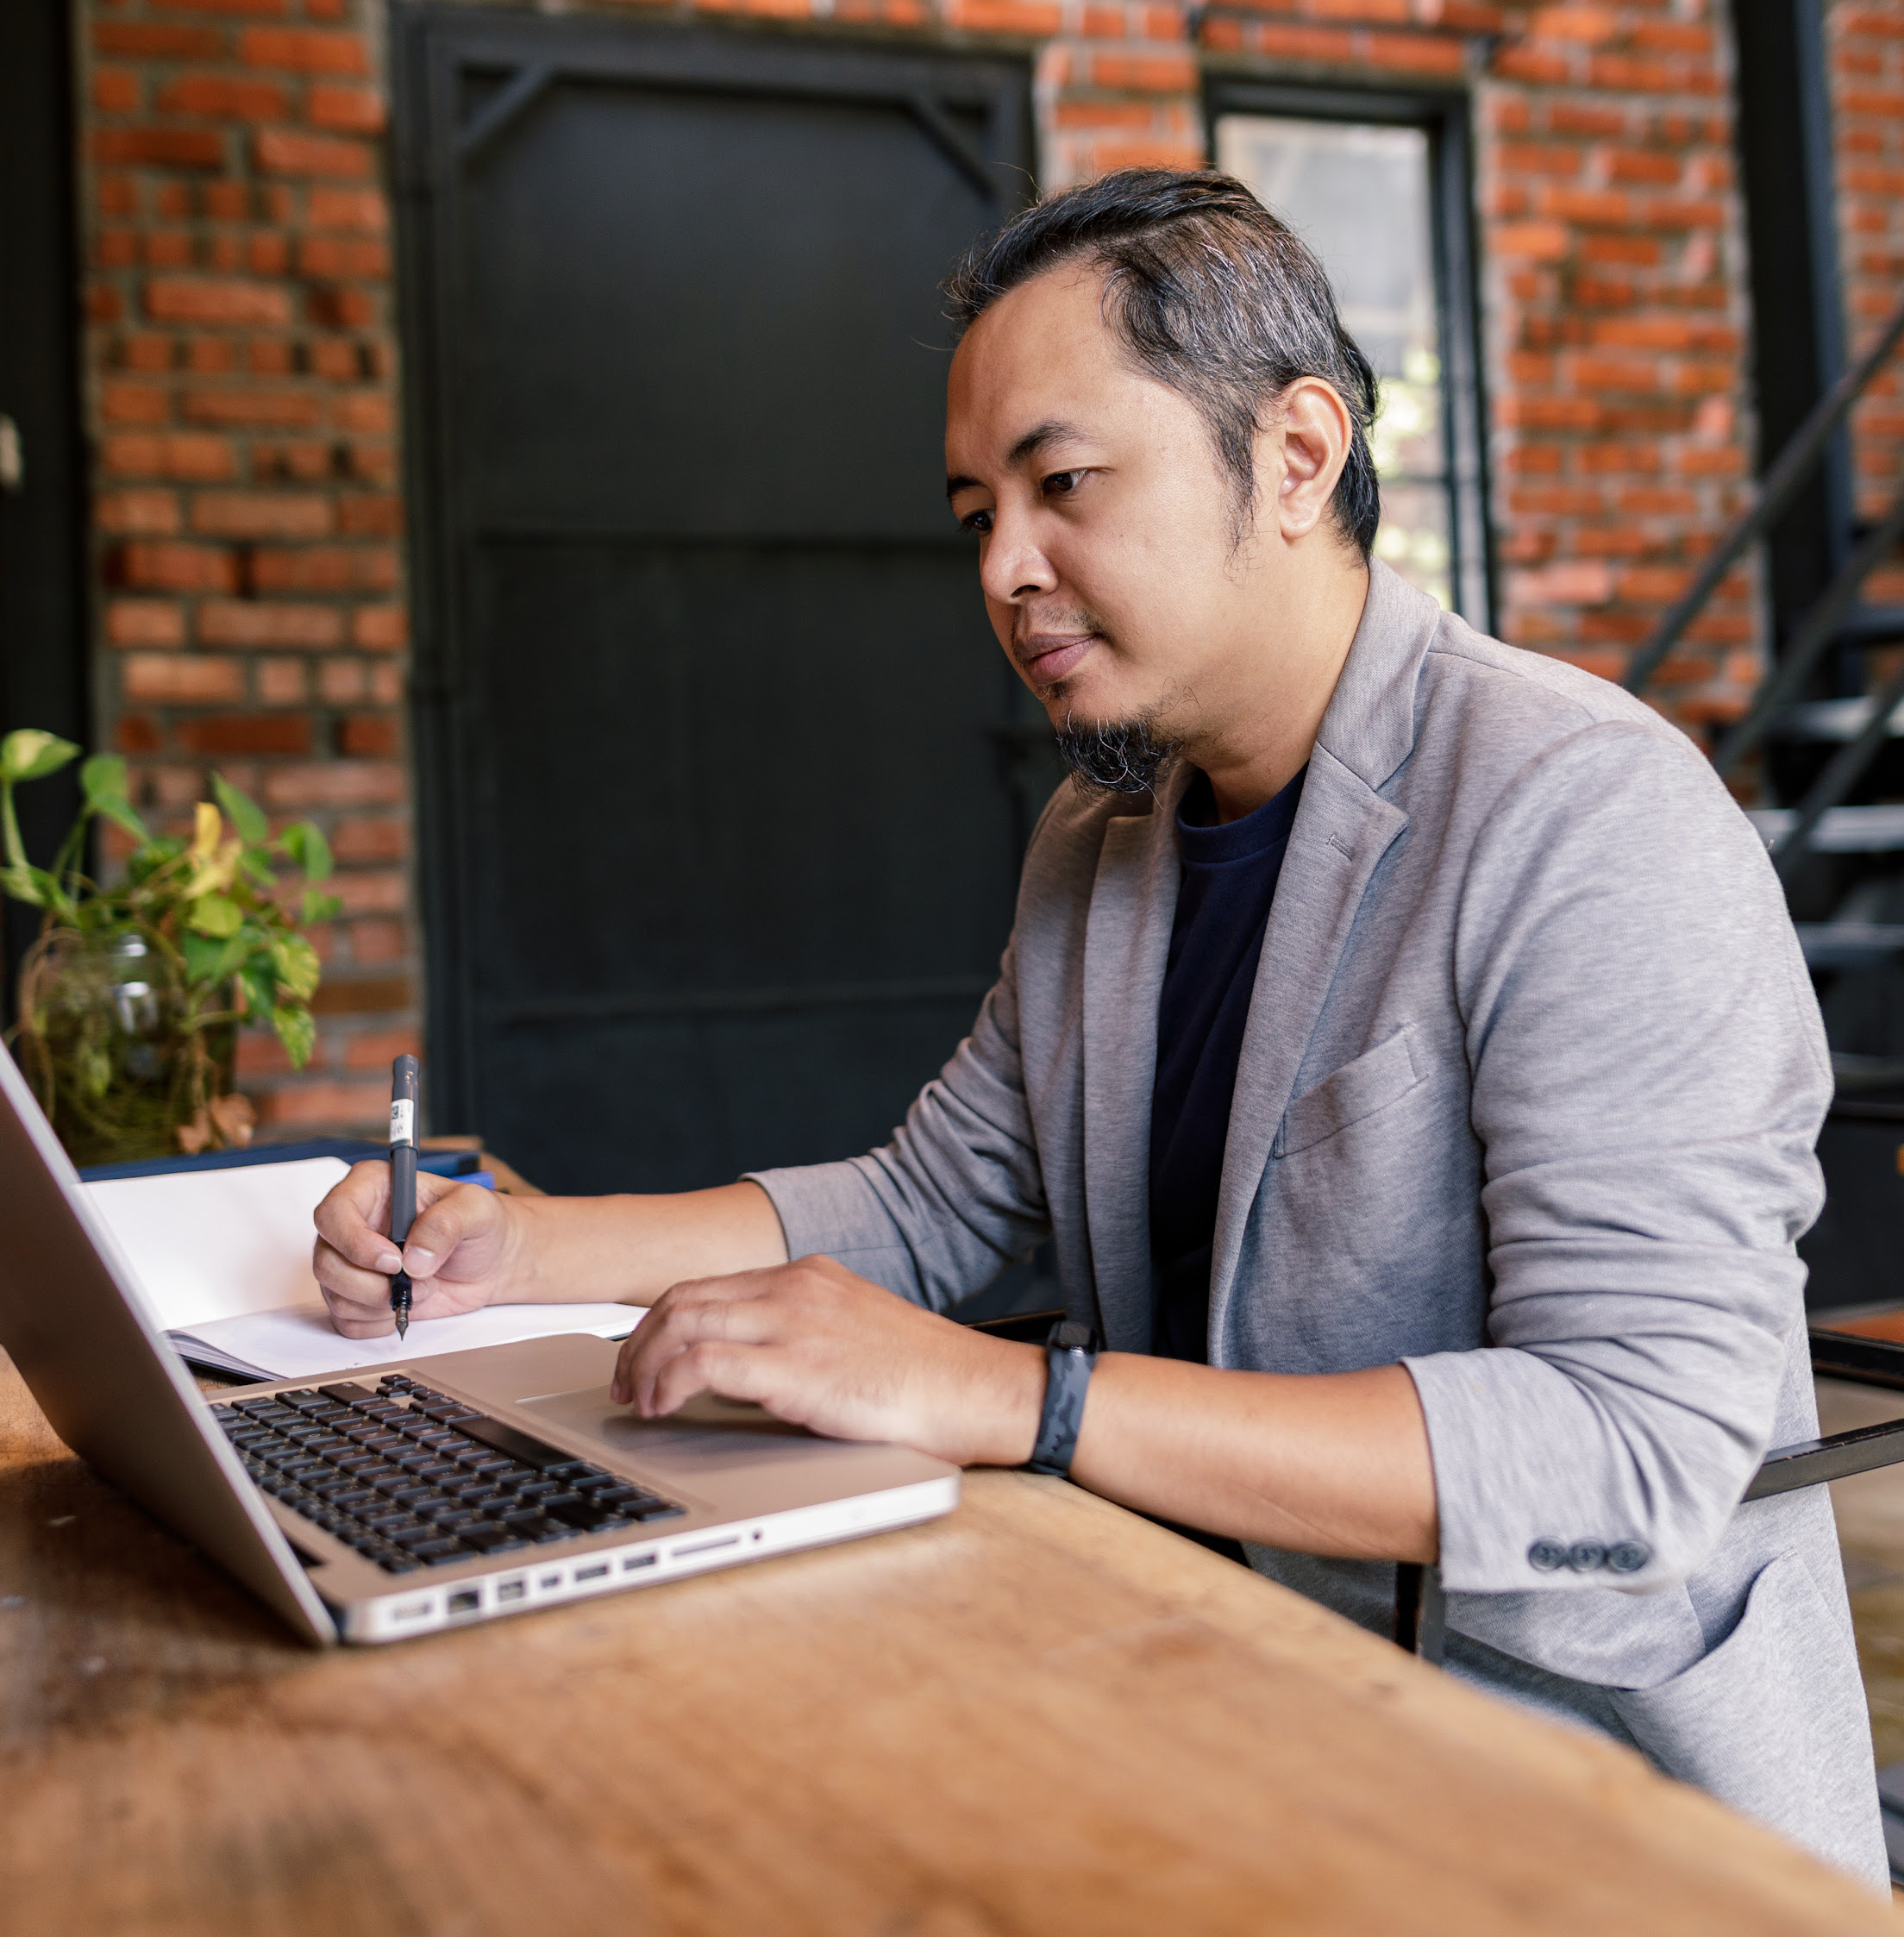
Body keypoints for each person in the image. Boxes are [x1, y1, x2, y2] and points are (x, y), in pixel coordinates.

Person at [315, 170, 1883, 1885]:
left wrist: (1021, 1400)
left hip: (1574, 1787)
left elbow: (1635, 1443)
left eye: (1063, 484)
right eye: (975, 509)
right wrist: (510, 1247)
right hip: (1215, 1677)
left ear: (1296, 455)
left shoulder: (1589, 815)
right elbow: (931, 1208)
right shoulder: (1105, 834)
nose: (1005, 567)